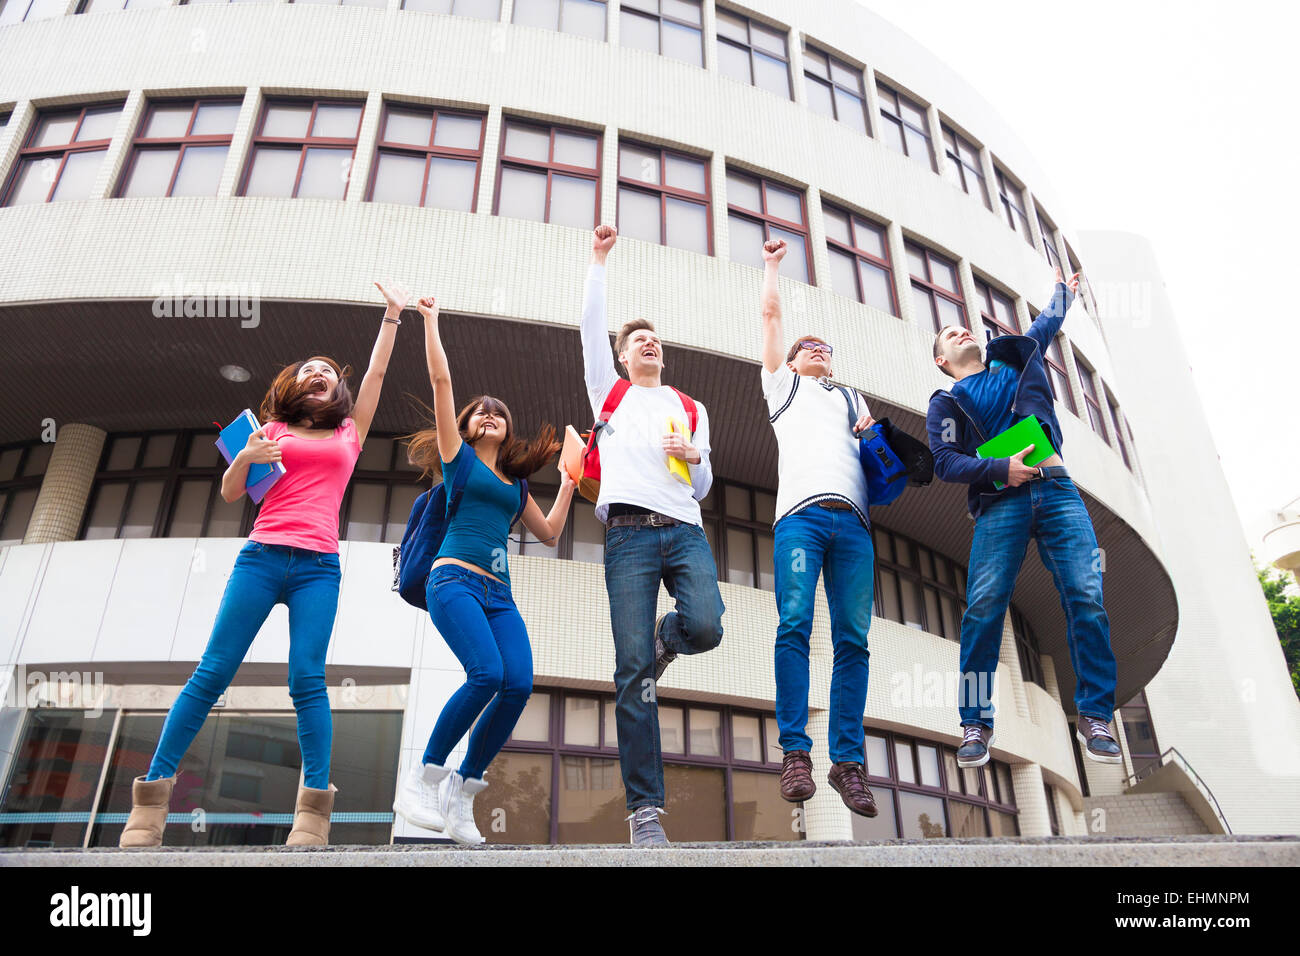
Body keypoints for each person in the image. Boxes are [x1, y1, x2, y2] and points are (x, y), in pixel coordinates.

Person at [120, 281, 409, 848]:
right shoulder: (269, 431)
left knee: (307, 679)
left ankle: (312, 817)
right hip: (261, 556)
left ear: (338, 390)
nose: (320, 373)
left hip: (319, 567)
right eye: (309, 369)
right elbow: (233, 493)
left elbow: (375, 377)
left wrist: (392, 317)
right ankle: (149, 806)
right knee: (213, 671)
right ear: (294, 385)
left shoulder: (349, 433)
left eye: (328, 371)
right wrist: (247, 456)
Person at [392, 292, 575, 846]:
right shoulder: (459, 461)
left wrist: (568, 481)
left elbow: (549, 534)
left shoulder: (515, 485)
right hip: (453, 580)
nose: (490, 414)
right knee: (487, 674)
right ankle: (423, 778)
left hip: (500, 594)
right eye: (481, 411)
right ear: (468, 427)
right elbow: (442, 385)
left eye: (499, 411)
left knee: (518, 681)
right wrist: (431, 323)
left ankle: (464, 788)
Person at [927, 266, 1121, 768]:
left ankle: (1095, 716)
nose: (961, 331)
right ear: (941, 359)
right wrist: (1000, 469)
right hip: (999, 505)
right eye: (949, 334)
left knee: (1086, 594)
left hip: (1057, 491)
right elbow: (946, 463)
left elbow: (1045, 325)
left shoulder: (1014, 364)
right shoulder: (946, 401)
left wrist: (1064, 292)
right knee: (984, 607)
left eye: (964, 326)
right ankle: (975, 722)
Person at [580, 224, 724, 846]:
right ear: (620, 355)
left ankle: (673, 635)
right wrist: (598, 260)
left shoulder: (690, 407)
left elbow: (704, 486)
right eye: (638, 339)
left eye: (656, 339)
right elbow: (589, 327)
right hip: (629, 537)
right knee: (633, 672)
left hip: (684, 530)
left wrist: (694, 455)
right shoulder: (607, 393)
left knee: (707, 627)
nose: (650, 344)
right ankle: (645, 811)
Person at [758, 238, 880, 817]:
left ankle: (848, 764)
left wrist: (877, 438)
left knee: (853, 639)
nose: (818, 353)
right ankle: (795, 754)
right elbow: (772, 317)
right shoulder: (783, 387)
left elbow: (881, 458)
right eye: (809, 347)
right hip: (801, 521)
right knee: (795, 625)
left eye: (826, 349)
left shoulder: (852, 397)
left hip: (854, 525)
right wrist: (773, 268)